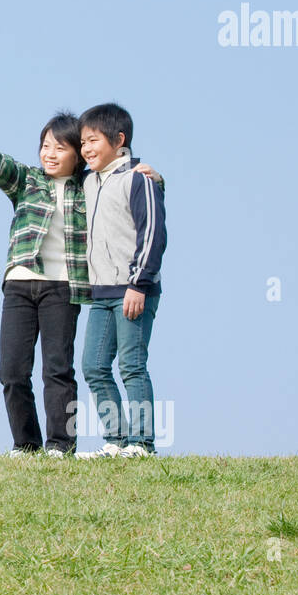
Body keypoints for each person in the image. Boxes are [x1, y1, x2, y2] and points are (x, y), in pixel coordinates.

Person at [0, 116, 161, 458]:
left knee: (58, 369)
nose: (50, 154)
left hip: (63, 288)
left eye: (61, 147)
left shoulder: (88, 186)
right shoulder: (26, 181)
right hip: (19, 286)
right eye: (45, 146)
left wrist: (157, 179)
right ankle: (26, 445)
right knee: (11, 371)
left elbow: (128, 186)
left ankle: (61, 444)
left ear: (77, 154)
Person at [73, 103, 167, 459]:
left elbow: (153, 233)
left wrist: (138, 285)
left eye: (93, 140)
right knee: (94, 366)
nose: (86, 149)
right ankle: (115, 441)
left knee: (131, 365)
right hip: (100, 293)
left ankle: (142, 444)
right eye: (82, 142)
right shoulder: (88, 181)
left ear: (119, 140)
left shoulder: (138, 178)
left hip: (133, 290)